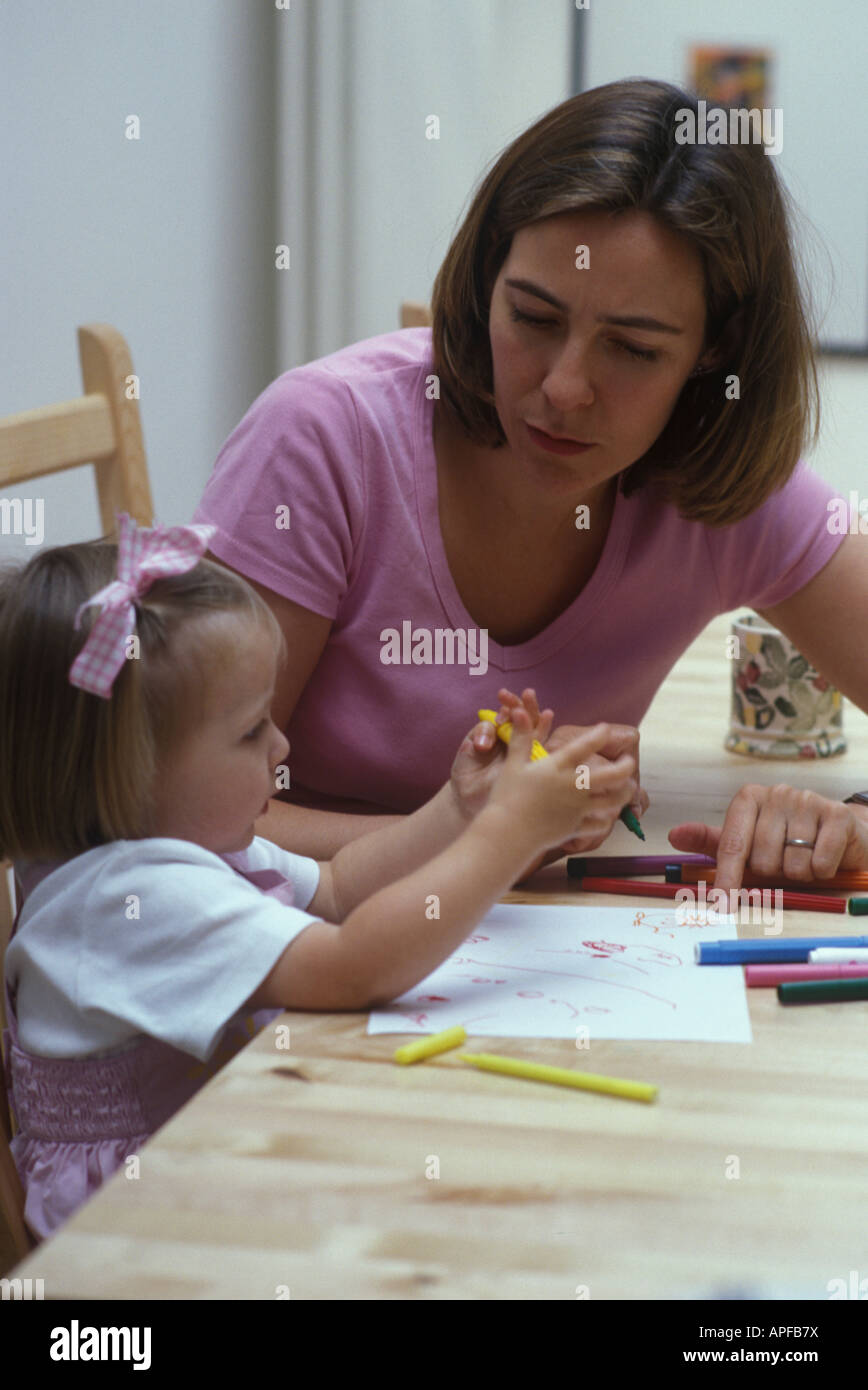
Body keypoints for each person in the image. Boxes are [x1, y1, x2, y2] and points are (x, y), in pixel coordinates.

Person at [191, 77, 868, 885]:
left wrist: (854, 827)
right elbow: (178, 817)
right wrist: (482, 839)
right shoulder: (323, 440)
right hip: (282, 969)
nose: (563, 389)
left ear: (715, 352)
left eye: (634, 349)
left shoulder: (717, 480)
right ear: (485, 281)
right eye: (535, 319)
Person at [0, 515, 635, 1239]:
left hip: (215, 1154)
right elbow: (354, 965)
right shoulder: (126, 899)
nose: (282, 744)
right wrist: (509, 833)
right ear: (124, 775)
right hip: (136, 1232)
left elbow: (336, 889)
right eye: (249, 732)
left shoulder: (179, 842)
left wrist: (460, 807)